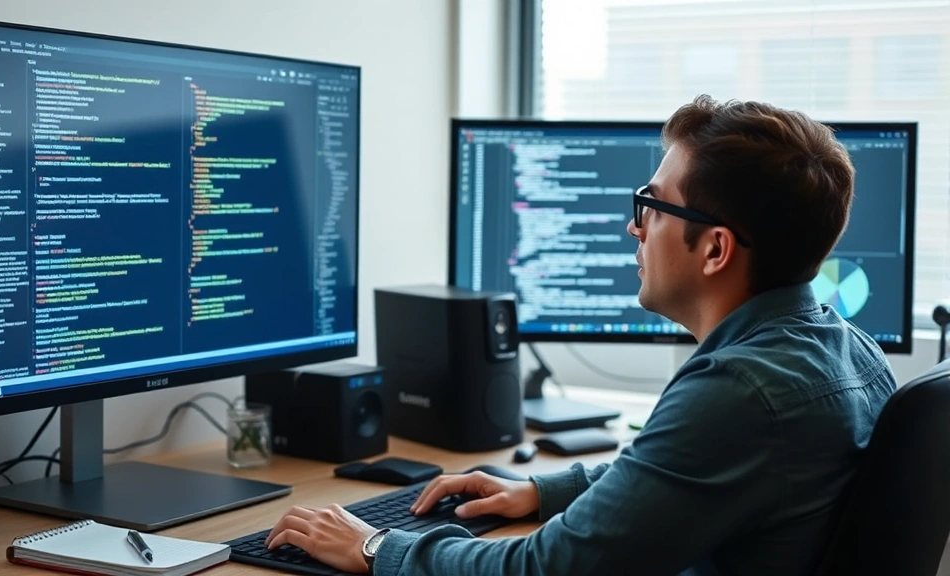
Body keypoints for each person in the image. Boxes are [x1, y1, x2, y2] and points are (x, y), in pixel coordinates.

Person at [263, 95, 898, 575]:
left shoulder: (738, 392)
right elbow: (678, 477)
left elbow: (546, 568)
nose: (635, 229)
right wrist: (541, 490)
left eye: (651, 206)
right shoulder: (845, 349)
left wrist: (377, 545)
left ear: (714, 249)